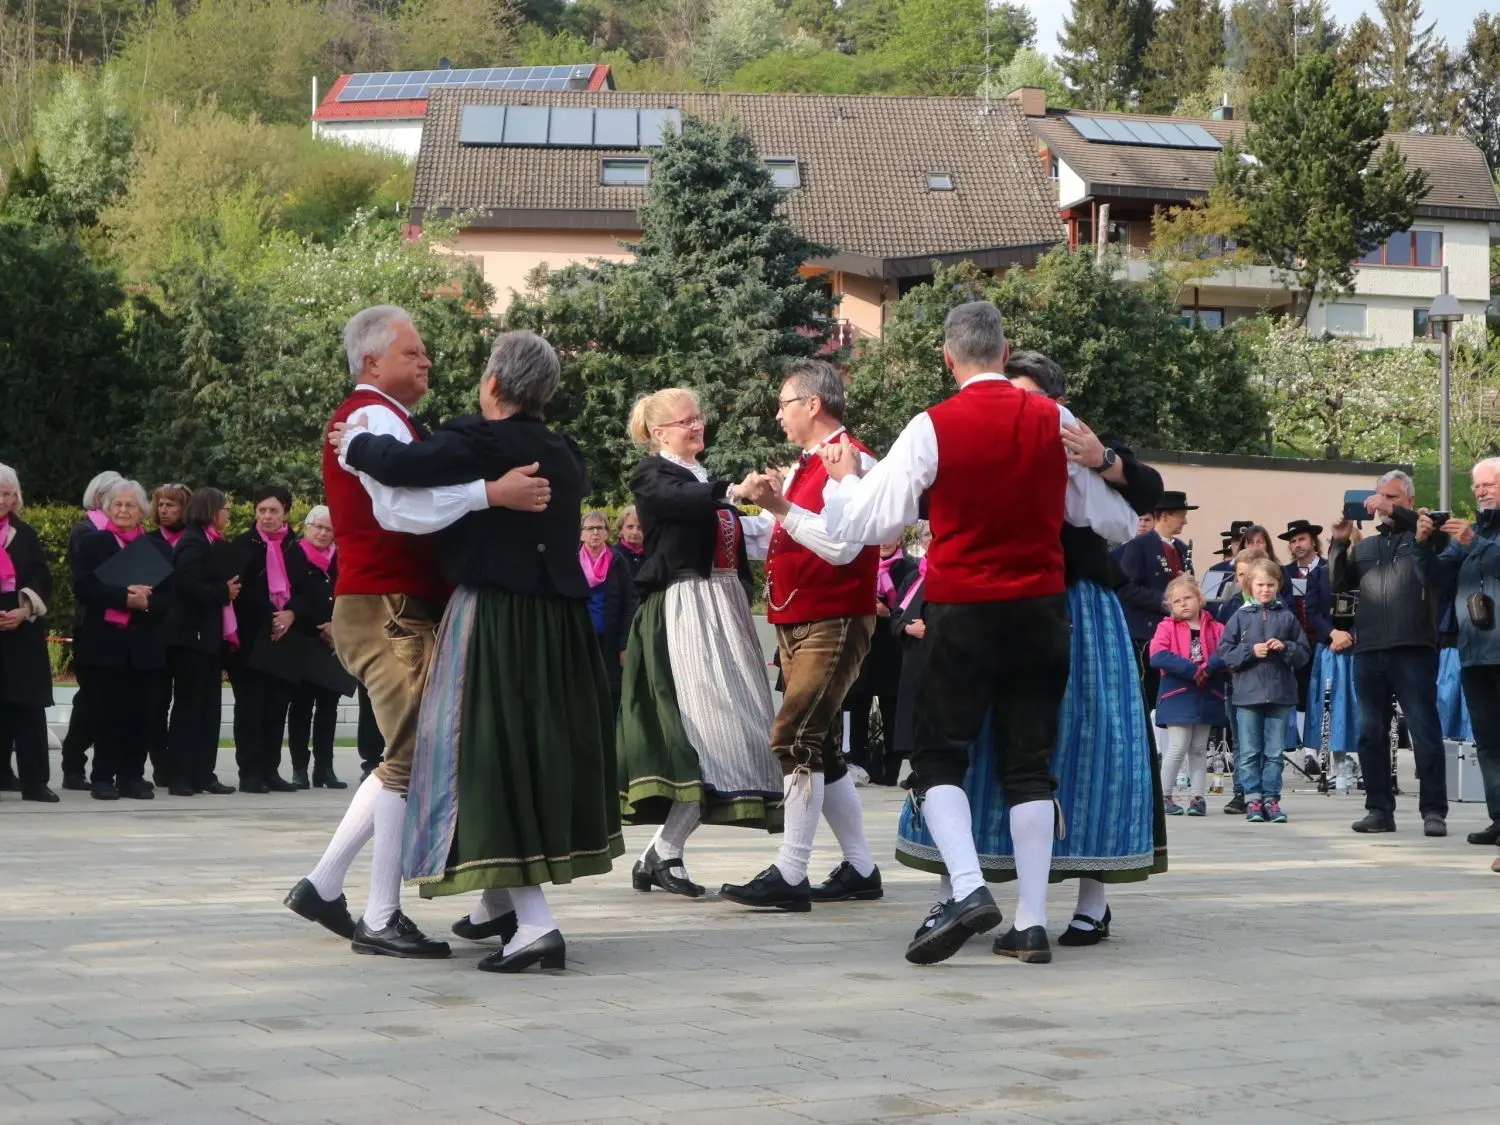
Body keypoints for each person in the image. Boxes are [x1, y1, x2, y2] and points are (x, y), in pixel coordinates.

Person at [819, 301, 1137, 966]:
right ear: (1003, 348)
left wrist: (846, 483)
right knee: (1030, 765)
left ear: (948, 357)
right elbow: (1114, 521)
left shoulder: (933, 425)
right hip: (1043, 608)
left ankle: (966, 886)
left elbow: (870, 527)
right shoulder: (1055, 420)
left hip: (963, 605)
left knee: (940, 756)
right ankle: (1029, 923)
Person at [334, 330, 622, 973]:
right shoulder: (565, 451)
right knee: (529, 752)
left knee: (485, 754)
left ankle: (533, 922)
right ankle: (499, 906)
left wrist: (355, 439)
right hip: (561, 626)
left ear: (493, 384)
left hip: (496, 618)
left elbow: (405, 467)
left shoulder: (481, 440)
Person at [285, 304, 547, 960]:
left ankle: (327, 885)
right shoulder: (370, 414)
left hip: (390, 598)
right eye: (413, 352)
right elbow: (398, 508)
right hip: (386, 601)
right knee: (411, 752)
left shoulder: (383, 416)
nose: (427, 361)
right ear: (371, 360)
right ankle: (377, 912)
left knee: (411, 750)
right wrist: (490, 494)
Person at [895, 349, 1162, 950]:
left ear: (1055, 404)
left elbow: (1147, 494)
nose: (1012, 409)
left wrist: (1107, 460)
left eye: (1026, 398)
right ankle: (962, 893)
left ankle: (1092, 897)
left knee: (1095, 752)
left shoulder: (1074, 441)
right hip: (1001, 610)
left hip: (1077, 607)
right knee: (984, 754)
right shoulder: (981, 439)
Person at [720, 359, 885, 912]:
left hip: (834, 616)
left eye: (785, 403)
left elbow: (841, 545)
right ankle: (861, 867)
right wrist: (744, 506)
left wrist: (778, 505)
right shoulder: (809, 461)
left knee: (793, 738)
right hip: (800, 615)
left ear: (813, 404)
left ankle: (791, 872)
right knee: (822, 747)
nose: (778, 413)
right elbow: (784, 534)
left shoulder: (851, 459)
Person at [617, 387, 783, 899]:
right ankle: (664, 852)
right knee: (709, 732)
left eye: (699, 417)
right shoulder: (654, 476)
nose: (697, 425)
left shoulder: (705, 481)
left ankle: (662, 852)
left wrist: (781, 503)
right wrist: (733, 491)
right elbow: (676, 501)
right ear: (660, 432)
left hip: (724, 607)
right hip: (685, 609)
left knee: (735, 731)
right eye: (686, 420)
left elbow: (745, 539)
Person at [1330, 470, 1449, 836]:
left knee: (1424, 731)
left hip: (1413, 647)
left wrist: (1399, 515)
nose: (1383, 504)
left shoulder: (1427, 535)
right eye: (1380, 497)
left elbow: (1441, 540)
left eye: (1393, 498)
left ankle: (1434, 811)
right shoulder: (1365, 548)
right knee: (1370, 733)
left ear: (1410, 502)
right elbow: (1340, 587)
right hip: (1369, 649)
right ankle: (1379, 810)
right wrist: (1337, 543)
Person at [71, 480, 174, 801]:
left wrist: (147, 603)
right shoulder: (94, 543)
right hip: (105, 645)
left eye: (131, 505)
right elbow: (85, 588)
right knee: (107, 713)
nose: (124, 510)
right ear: (108, 508)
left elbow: (171, 596)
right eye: (118, 505)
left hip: (144, 644)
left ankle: (132, 776)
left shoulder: (158, 547)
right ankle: (103, 776)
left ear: (142, 511)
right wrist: (124, 597)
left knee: (141, 714)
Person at [1211, 558, 1310, 823]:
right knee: (1249, 750)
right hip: (1247, 694)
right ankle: (1252, 798)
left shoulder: (1287, 617)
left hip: (1280, 694)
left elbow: (1303, 653)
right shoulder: (1239, 617)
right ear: (1249, 586)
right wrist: (1250, 651)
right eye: (1259, 585)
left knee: (1275, 752)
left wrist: (1286, 648)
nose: (1265, 589)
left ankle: (1271, 799)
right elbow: (1225, 653)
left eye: (1270, 584)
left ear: (1278, 585)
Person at [228, 485, 311, 794]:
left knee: (277, 708)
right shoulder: (243, 545)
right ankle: (250, 773)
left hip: (284, 640)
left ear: (286, 512)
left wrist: (290, 614)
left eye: (274, 510)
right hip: (251, 639)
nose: (267, 516)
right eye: (262, 510)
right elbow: (240, 592)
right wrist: (270, 615)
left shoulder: (296, 548)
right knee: (250, 709)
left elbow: (307, 592)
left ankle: (270, 770)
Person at [1438, 459, 1500, 859]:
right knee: (1489, 743)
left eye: (1489, 484)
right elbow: (1436, 577)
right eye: (1476, 486)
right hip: (1475, 650)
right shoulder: (1474, 532)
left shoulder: (1477, 537)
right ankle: (1499, 818)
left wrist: (1472, 542)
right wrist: (1428, 543)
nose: (1481, 491)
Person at [161, 488, 240, 797]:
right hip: (189, 639)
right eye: (225, 510)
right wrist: (223, 591)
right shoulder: (192, 542)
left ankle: (203, 772)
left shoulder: (211, 542)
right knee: (188, 708)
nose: (228, 516)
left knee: (208, 709)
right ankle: (180, 774)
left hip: (207, 639)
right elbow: (186, 586)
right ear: (211, 511)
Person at [59, 470, 123, 791]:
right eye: (115, 498)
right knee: (91, 700)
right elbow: (87, 579)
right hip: (92, 625)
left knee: (113, 701)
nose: (122, 507)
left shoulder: (129, 534)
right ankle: (74, 763)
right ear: (100, 498)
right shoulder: (85, 531)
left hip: (124, 627)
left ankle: (108, 766)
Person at [0, 464, 58, 803]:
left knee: (28, 708)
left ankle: (36, 782)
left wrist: (24, 610)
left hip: (21, 631)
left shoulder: (26, 534)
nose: (4, 501)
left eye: (9, 494)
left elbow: (42, 579)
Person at [1115, 490, 1196, 713]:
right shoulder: (1139, 545)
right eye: (1181, 515)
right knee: (1149, 691)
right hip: (1148, 634)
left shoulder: (1181, 548)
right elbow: (1126, 588)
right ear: (1166, 515)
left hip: (1178, 632)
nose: (1185, 520)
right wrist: (1168, 602)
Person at [1151, 576, 1226, 817]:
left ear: (1200, 599)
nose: (1183, 604)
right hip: (1177, 692)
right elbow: (1158, 655)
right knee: (1177, 746)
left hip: (1206, 691)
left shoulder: (1216, 627)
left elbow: (1226, 651)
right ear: (1169, 606)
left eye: (1188, 598)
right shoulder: (1166, 627)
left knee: (1198, 748)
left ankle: (1197, 797)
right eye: (1176, 601)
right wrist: (1192, 669)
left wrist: (1209, 667)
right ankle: (1164, 795)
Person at [286, 506, 348, 790]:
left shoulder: (342, 558)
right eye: (317, 527)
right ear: (306, 527)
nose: (322, 533)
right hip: (304, 639)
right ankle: (300, 767)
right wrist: (319, 625)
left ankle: (325, 767)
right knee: (301, 707)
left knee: (329, 708)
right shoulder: (293, 555)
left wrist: (336, 625)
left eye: (328, 529)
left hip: (334, 641)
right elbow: (293, 596)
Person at [845, 535, 914, 785]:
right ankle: (858, 765)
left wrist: (889, 612)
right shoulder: (861, 563)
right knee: (859, 707)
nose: (884, 541)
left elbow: (912, 605)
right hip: (863, 646)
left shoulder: (909, 568)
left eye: (890, 535)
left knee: (890, 709)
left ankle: (891, 770)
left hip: (892, 648)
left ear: (899, 537)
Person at [144, 483, 192, 785]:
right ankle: (160, 762)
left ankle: (180, 762)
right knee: (156, 702)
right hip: (155, 633)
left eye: (171, 505)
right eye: (160, 505)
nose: (164, 510)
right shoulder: (147, 542)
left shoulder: (194, 540)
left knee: (185, 702)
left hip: (187, 633)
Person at [1281, 519, 1332, 772]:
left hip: (1324, 638)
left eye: (1301, 539)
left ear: (1313, 541)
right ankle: (1308, 752)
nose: (1297, 544)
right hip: (1297, 641)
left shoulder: (1329, 567)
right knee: (1302, 695)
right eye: (1293, 541)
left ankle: (1328, 748)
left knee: (1325, 694)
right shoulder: (1284, 573)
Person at [580, 509, 636, 714]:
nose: (595, 533)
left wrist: (624, 645)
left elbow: (630, 603)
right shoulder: (572, 561)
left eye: (600, 528)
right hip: (582, 639)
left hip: (611, 640)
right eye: (590, 528)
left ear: (607, 533)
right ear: (581, 533)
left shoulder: (617, 561)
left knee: (612, 692)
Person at [889, 523, 932, 779]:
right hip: (913, 655)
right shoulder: (913, 576)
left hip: (939, 655)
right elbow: (896, 615)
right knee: (911, 711)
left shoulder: (949, 573)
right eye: (926, 535)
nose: (930, 540)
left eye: (933, 535)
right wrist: (907, 628)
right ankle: (917, 768)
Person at [1202, 521, 1253, 606]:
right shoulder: (1215, 570)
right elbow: (1206, 604)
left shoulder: (1265, 568)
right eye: (1236, 541)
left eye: (1246, 541)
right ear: (1231, 544)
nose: (1241, 545)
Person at [614, 506, 645, 580]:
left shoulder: (653, 554)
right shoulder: (612, 555)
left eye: (640, 527)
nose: (635, 532)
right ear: (621, 529)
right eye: (630, 527)